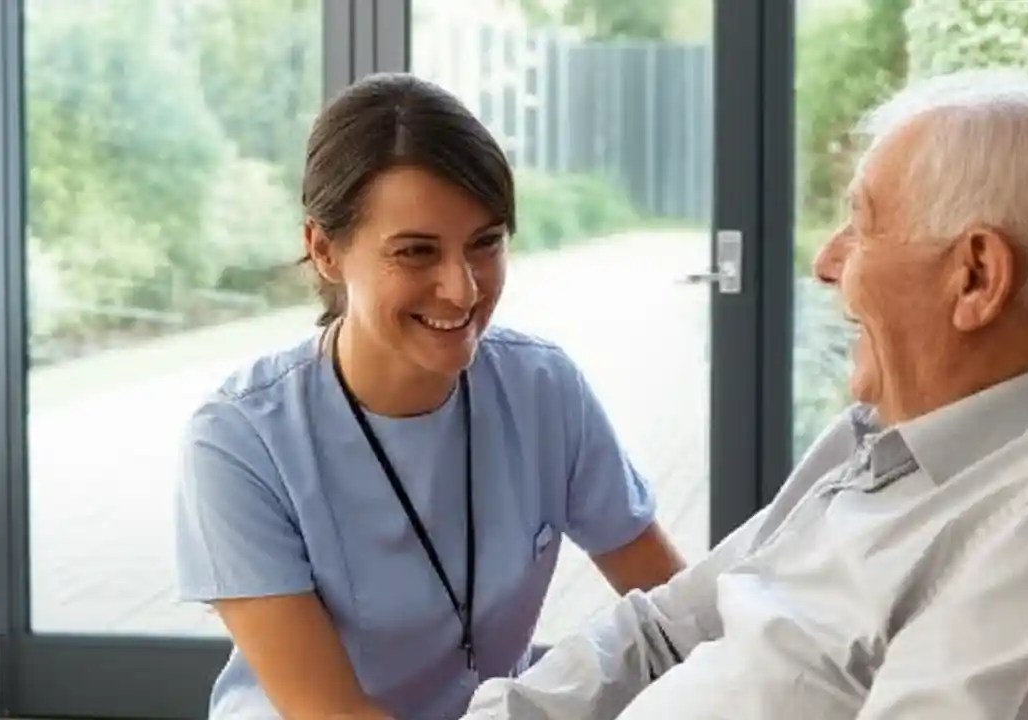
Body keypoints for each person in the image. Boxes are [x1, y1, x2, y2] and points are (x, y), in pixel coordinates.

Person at [463, 70, 1028, 719]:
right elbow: (666, 629)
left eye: (862, 226)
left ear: (975, 277)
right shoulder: (881, 438)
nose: (827, 264)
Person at [174, 72, 686, 720]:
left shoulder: (543, 390)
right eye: (416, 253)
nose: (463, 290)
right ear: (324, 250)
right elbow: (332, 713)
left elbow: (675, 608)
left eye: (485, 244)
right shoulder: (238, 441)